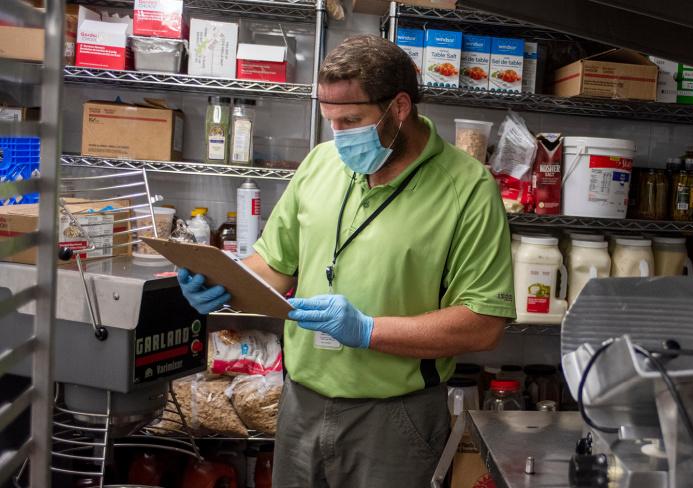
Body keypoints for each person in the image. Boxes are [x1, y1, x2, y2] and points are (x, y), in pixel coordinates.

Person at [176, 35, 516, 486]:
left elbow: (484, 324)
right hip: (300, 404)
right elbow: (273, 266)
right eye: (331, 121)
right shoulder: (320, 163)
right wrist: (223, 284)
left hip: (395, 417)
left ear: (399, 107)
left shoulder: (468, 188)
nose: (339, 136)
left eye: (352, 120)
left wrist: (369, 330)